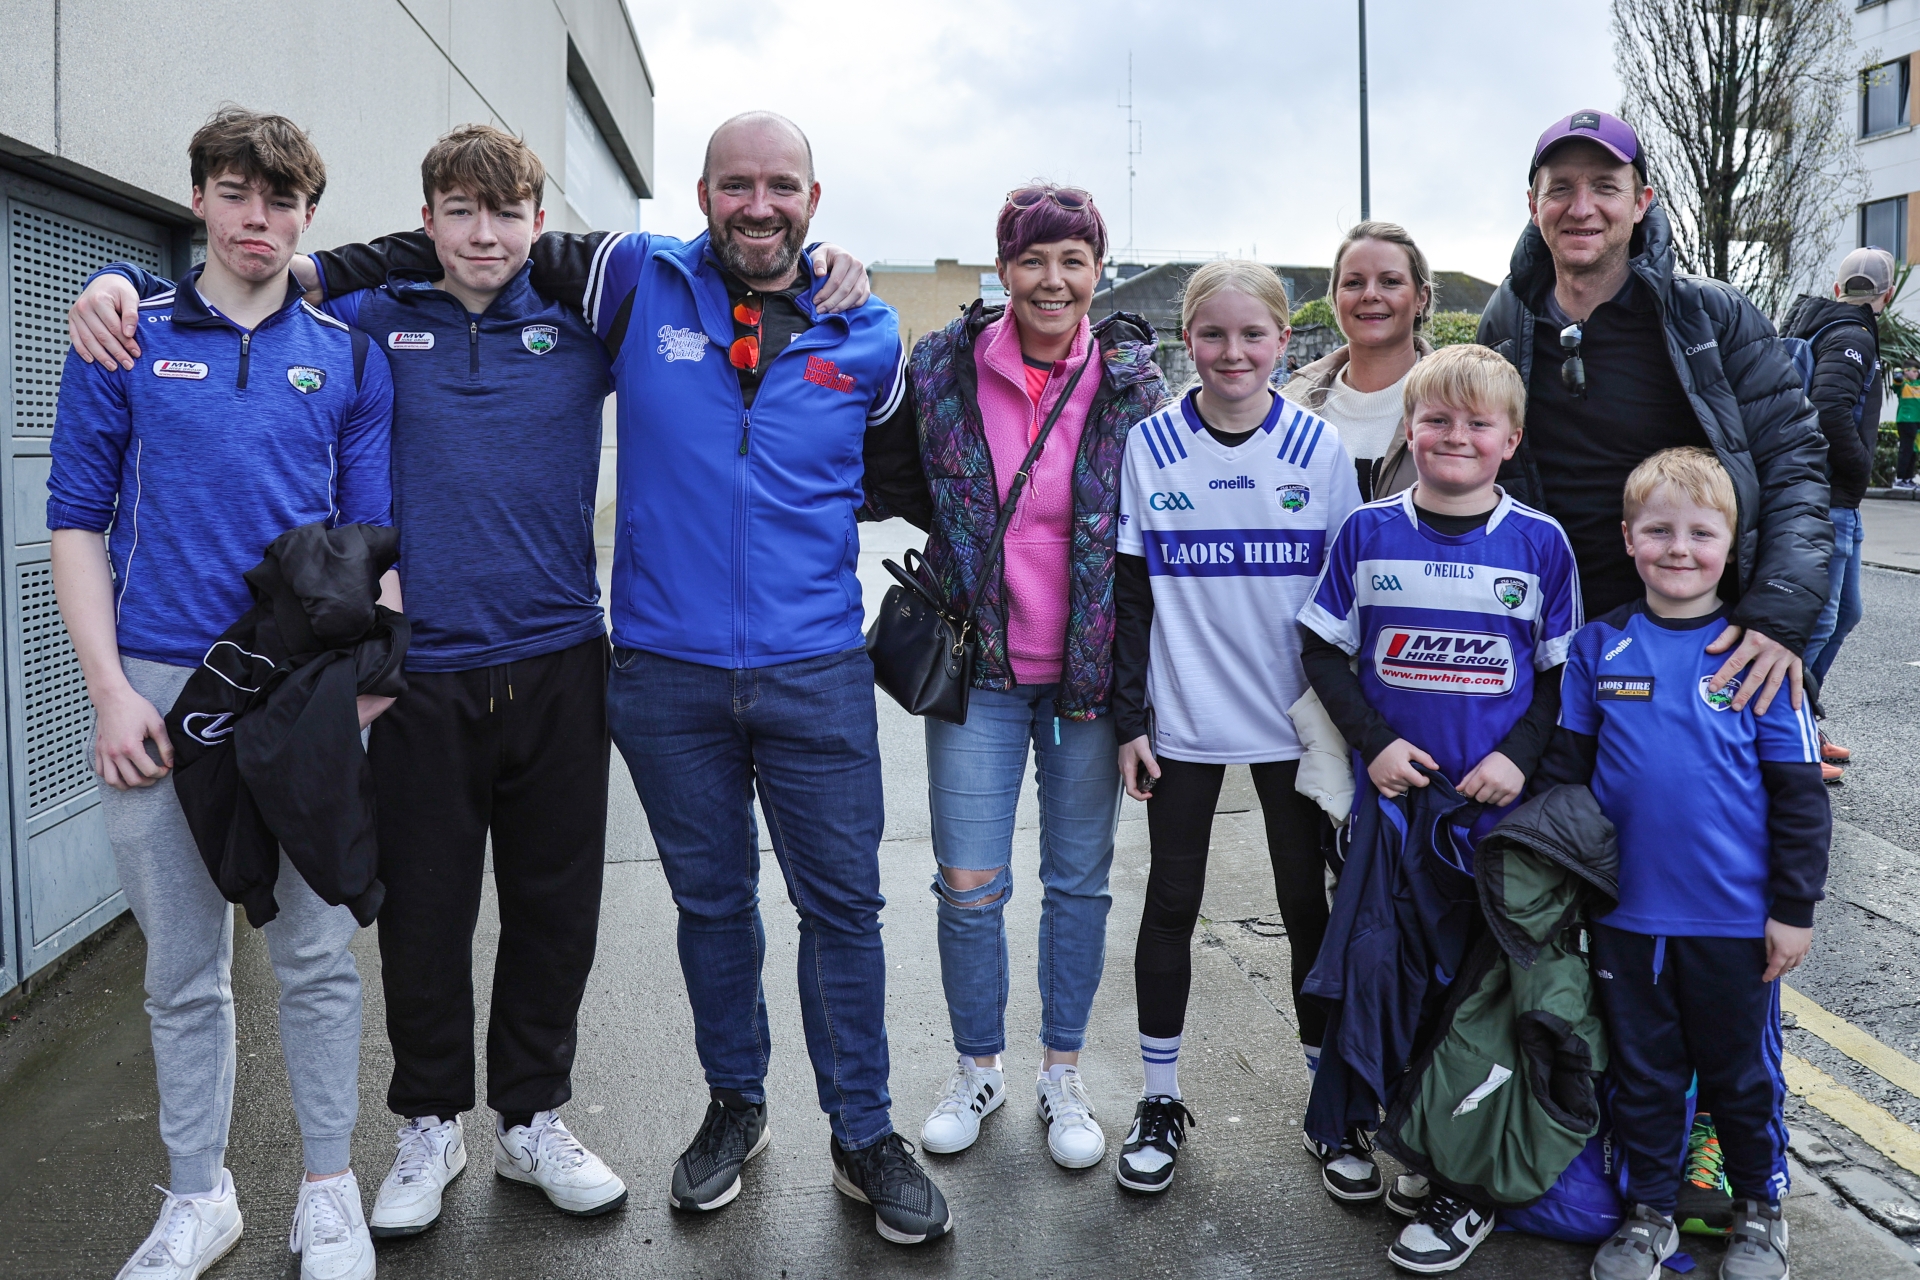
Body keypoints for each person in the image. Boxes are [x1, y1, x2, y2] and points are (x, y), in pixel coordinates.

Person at [66, 119, 883, 1239]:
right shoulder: (370, 318)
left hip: (559, 660)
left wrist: (833, 261)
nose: (484, 235)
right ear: (426, 221)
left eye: (506, 213)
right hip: (419, 675)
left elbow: (720, 274)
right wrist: (119, 284)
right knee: (424, 914)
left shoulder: (590, 319)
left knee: (555, 910)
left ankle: (533, 1117)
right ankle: (428, 1123)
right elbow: (251, 285)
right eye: (460, 212)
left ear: (539, 224)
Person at [49, 108, 393, 1280]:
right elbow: (75, 521)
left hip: (301, 685)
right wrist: (107, 690)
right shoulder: (124, 336)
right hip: (157, 686)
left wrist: (366, 693)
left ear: (307, 216)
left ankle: (329, 1188)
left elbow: (373, 540)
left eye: (281, 199)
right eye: (236, 192)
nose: (258, 217)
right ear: (197, 197)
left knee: (316, 954)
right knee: (182, 969)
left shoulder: (347, 354)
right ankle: (199, 1194)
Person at [859, 184, 1169, 1171]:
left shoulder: (1131, 383)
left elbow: (1162, 534)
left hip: (1087, 678)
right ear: (1003, 269)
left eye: (1073, 260)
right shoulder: (942, 367)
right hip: (977, 670)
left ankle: (1062, 1073)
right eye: (1033, 259)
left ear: (1097, 272)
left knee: (1077, 883)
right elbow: (884, 472)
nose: (1053, 279)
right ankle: (978, 1067)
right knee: (968, 884)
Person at [1296, 343, 1582, 1274]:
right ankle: (1350, 1125)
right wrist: (1375, 743)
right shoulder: (1367, 532)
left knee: (1469, 991)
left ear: (1512, 439)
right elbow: (1322, 651)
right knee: (1377, 969)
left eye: (1477, 423)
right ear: (1408, 430)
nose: (1455, 436)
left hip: (1489, 821)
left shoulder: (1540, 543)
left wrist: (1516, 758)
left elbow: (1559, 679)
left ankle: (1439, 1151)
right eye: (1436, 420)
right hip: (1393, 809)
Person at [1539, 447, 1828, 1280]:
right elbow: (1567, 775)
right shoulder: (1600, 647)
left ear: (1731, 545)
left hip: (1734, 924)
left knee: (1742, 1078)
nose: (1678, 548)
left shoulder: (1760, 656)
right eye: (1659, 530)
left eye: (1701, 533)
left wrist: (1793, 911)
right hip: (1626, 917)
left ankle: (1761, 1210)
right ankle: (1651, 1213)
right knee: (1645, 1075)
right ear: (1628, 538)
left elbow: (1802, 800)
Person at [1110, 260, 1361, 1193]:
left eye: (1253, 334)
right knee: (1171, 904)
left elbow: (1348, 602)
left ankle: (1328, 1106)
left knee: (1306, 909)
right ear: (1188, 339)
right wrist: (1129, 719)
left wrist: (1351, 725)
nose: (1232, 352)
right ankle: (1159, 1099)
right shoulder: (1151, 445)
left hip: (1295, 723)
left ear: (1282, 340)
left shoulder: (1319, 449)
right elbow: (1130, 594)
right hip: (1184, 717)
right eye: (1212, 334)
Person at [1477, 109, 1830, 719]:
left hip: (1693, 641)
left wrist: (1778, 613)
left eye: (1605, 187)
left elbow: (1793, 467)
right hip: (1548, 641)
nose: (1581, 207)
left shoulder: (1712, 317)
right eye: (1560, 188)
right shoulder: (1506, 320)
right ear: (1533, 206)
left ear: (1641, 203)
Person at [1786, 246, 1893, 772]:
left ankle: (1802, 718)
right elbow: (1829, 409)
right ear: (1886, 295)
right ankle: (1784, 737)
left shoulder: (1819, 324)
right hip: (1828, 497)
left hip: (1829, 496)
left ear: (1838, 287)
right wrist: (1857, 468)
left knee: (1844, 612)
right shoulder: (1853, 335)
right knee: (1819, 620)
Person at [1283, 221, 1436, 501]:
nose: (1370, 294)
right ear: (1334, 298)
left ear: (1421, 298)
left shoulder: (1462, 399)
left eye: (1390, 281)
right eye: (1354, 283)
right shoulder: (1291, 402)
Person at [1893, 363, 1920, 490]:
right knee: (1906, 449)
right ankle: (1900, 480)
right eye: (1913, 371)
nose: (1916, 373)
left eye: (1917, 371)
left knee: (1914, 451)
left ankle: (1908, 479)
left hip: (1917, 421)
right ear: (1906, 371)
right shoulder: (1903, 384)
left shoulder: (1918, 384)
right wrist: (1900, 371)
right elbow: (1897, 379)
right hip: (1906, 420)